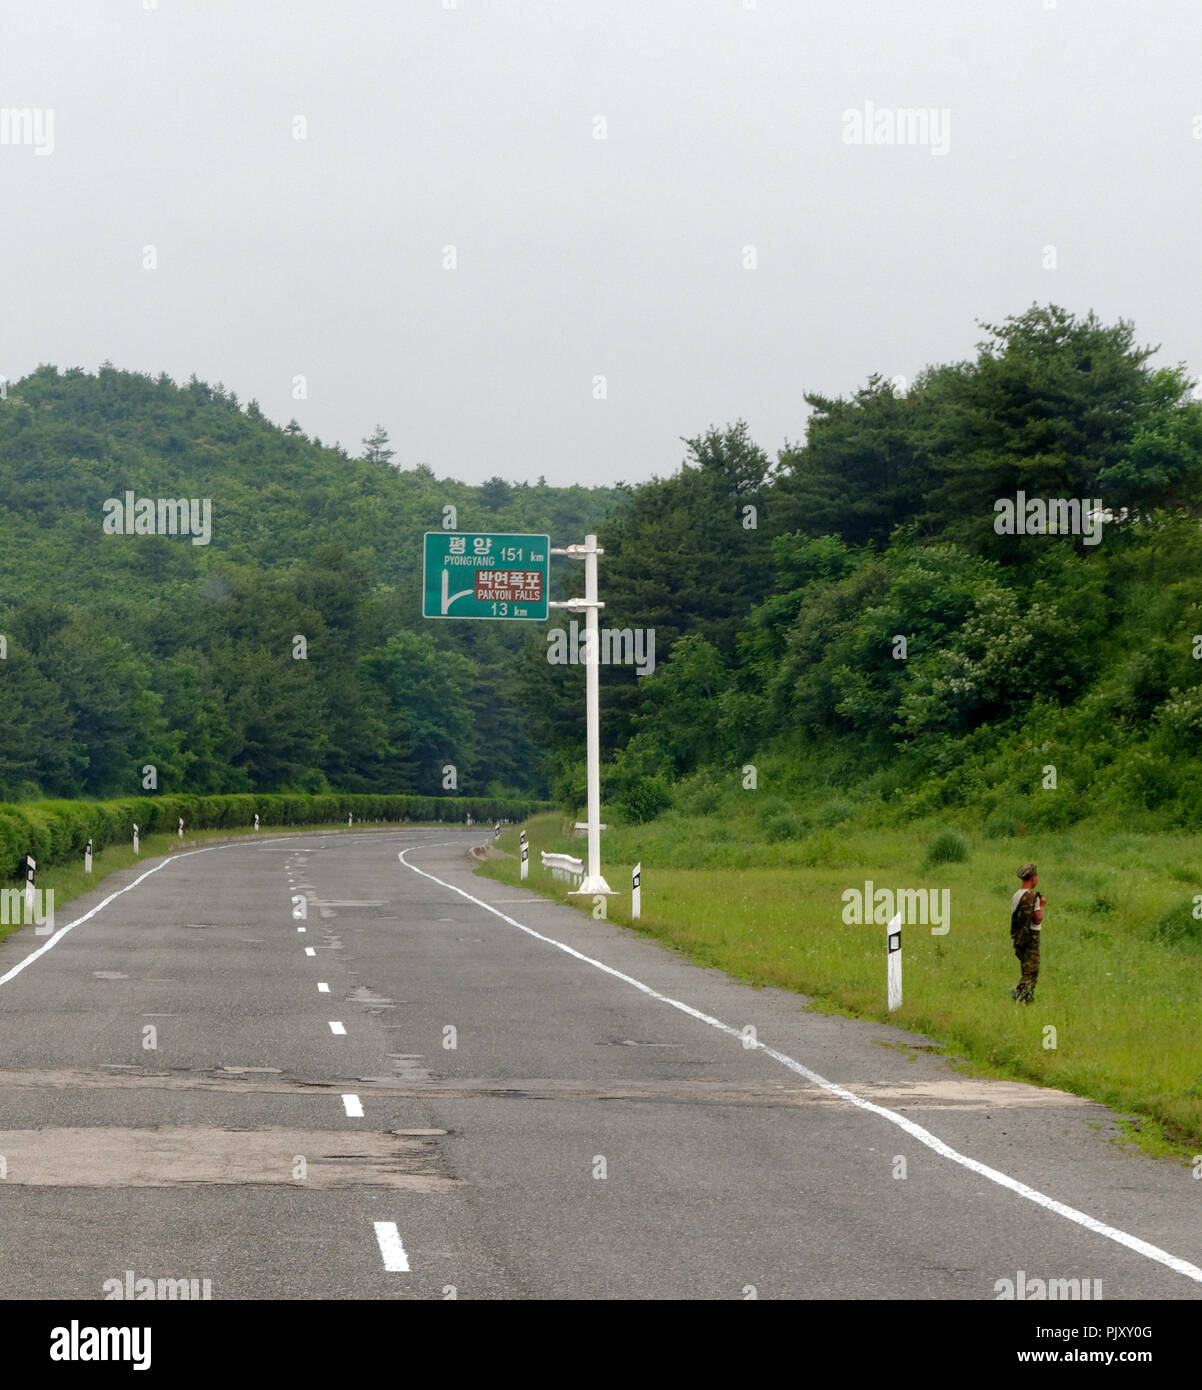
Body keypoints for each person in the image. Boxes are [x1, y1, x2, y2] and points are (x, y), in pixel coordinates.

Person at [1010, 862, 1044, 1003]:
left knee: (1026, 968)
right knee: (1032, 972)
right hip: (1031, 938)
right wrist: (1042, 905)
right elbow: (1037, 919)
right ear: (1034, 878)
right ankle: (1020, 994)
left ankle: (1029, 1000)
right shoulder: (1033, 897)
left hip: (1019, 937)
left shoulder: (1016, 896)